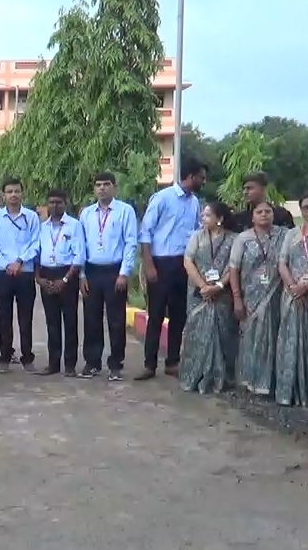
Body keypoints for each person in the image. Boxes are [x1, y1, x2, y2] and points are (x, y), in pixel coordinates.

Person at [136, 157, 206, 380]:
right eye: (201, 178)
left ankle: (172, 362)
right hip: (160, 263)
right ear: (191, 176)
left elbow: (196, 232)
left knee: (178, 315)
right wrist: (148, 265)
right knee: (156, 315)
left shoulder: (195, 202)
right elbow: (145, 232)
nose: (204, 182)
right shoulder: (163, 198)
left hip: (183, 264)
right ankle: (149, 364)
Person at [78, 172, 139, 380]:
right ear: (94, 189)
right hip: (92, 271)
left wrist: (124, 273)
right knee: (91, 319)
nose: (102, 188)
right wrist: (82, 274)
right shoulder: (86, 214)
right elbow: (81, 246)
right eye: (98, 185)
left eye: (106, 184)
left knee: (116, 320)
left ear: (114, 187)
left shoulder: (125, 211)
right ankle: (92, 362)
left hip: (115, 271)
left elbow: (131, 243)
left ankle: (115, 364)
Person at [228, 201, 287, 398]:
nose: (264, 215)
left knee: (275, 337)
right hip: (250, 298)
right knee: (252, 338)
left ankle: (271, 382)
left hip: (277, 297)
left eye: (267, 211)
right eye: (259, 212)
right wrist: (237, 298)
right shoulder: (243, 239)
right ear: (252, 217)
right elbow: (234, 269)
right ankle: (251, 379)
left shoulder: (284, 236)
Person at [179, 202, 238, 394]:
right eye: (203, 216)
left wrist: (218, 286)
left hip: (222, 294)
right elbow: (188, 261)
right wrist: (204, 286)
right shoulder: (197, 237)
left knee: (223, 334)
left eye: (207, 216)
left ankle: (220, 378)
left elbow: (233, 266)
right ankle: (195, 375)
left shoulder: (233, 239)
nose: (202, 219)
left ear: (219, 219)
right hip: (199, 293)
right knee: (196, 332)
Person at [0, 178, 40, 373]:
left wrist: (19, 262)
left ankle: (27, 357)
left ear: (22, 193)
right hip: (3, 274)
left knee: (26, 318)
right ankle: (5, 356)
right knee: (4, 317)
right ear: (3, 195)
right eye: (9, 192)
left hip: (25, 273)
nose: (13, 195)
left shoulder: (32, 217)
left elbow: (36, 244)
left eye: (17, 191)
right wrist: (6, 264)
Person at [36, 189, 84, 377]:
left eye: (58, 202)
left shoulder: (74, 225)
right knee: (52, 323)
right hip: (47, 275)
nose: (54, 206)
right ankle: (53, 364)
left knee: (70, 322)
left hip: (67, 276)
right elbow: (37, 254)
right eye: (51, 202)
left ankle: (70, 365)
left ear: (66, 203)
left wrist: (65, 280)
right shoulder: (42, 227)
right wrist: (39, 279)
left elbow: (79, 256)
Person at [275, 193, 308, 406]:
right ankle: (292, 391)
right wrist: (294, 287)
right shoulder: (292, 234)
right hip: (293, 296)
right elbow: (282, 262)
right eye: (305, 207)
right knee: (292, 343)